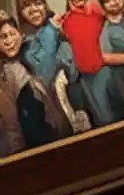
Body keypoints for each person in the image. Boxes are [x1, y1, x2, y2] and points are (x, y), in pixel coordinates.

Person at [16, 0, 89, 133]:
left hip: (82, 105)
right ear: (21, 14)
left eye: (37, 3)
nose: (33, 9)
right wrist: (52, 29)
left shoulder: (60, 29)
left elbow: (75, 69)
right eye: (26, 6)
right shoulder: (25, 46)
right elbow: (46, 72)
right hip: (56, 117)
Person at [0, 13, 72, 156]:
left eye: (12, 34)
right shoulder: (6, 72)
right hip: (27, 146)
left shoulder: (32, 55)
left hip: (55, 133)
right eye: (2, 37)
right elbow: (10, 121)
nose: (9, 41)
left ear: (20, 34)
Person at [57, 0, 118, 127]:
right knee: (103, 121)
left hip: (109, 70)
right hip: (85, 79)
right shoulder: (64, 21)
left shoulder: (98, 11)